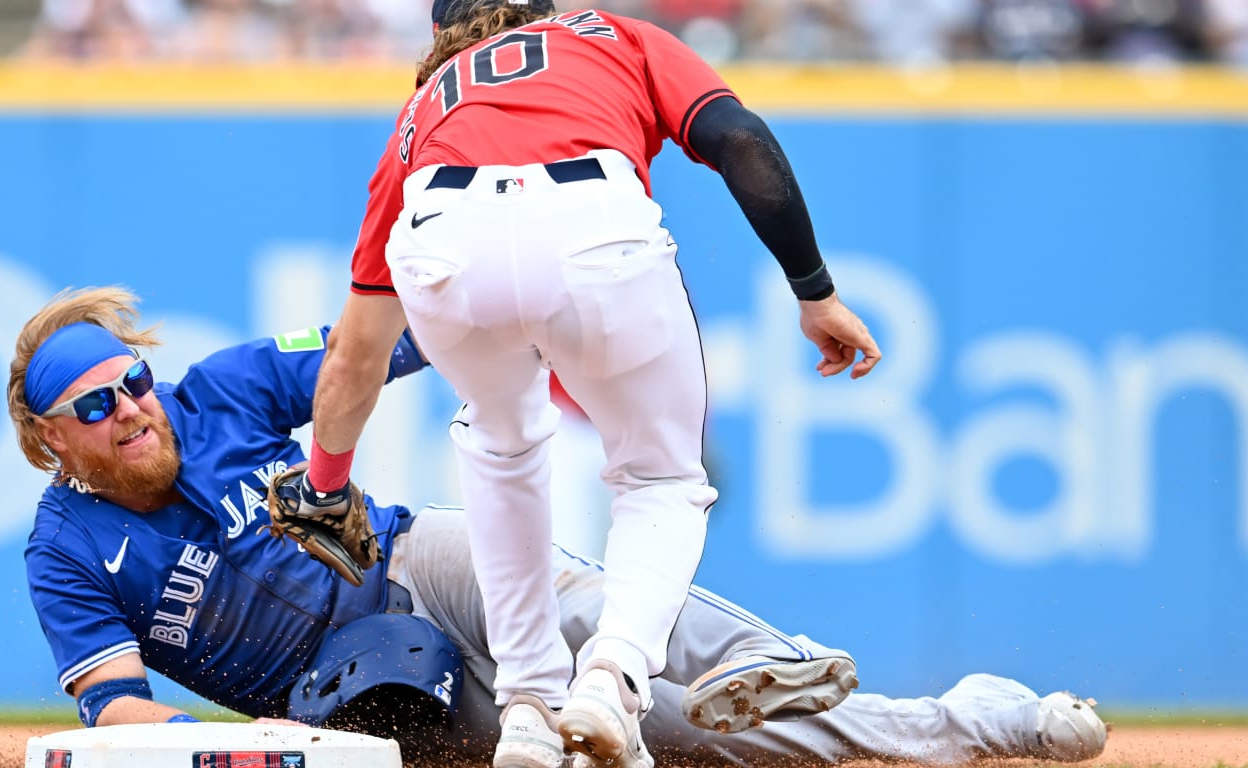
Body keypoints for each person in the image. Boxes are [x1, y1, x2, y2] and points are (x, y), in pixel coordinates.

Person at [10, 286, 1107, 767]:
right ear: (52, 440)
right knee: (672, 735)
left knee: (593, 607)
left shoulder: (220, 393)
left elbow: (379, 346)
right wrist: (264, 755)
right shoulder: (65, 552)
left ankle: (777, 659)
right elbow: (118, 719)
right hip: (364, 691)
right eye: (96, 406)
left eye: (132, 381)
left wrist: (487, 297)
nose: (133, 409)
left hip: (414, 560)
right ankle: (973, 720)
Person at [295, 4, 883, 766]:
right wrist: (815, 290)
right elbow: (737, 138)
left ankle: (530, 707)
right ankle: (613, 679)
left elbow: (354, 351)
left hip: (442, 231)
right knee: (662, 477)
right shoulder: (608, 32)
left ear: (443, 31)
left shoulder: (423, 109)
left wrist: (326, 486)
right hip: (591, 218)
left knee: (501, 450)